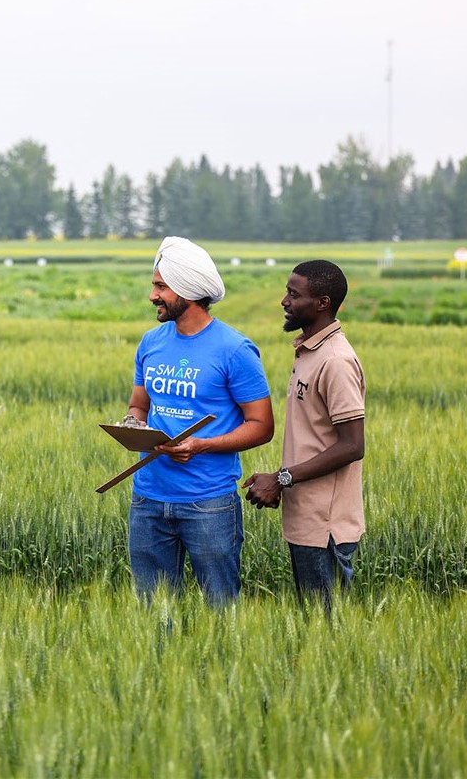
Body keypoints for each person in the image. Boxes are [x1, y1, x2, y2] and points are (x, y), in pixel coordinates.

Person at [125, 237, 274, 606]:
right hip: (148, 499)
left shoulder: (235, 350)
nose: (152, 295)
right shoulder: (150, 342)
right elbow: (138, 407)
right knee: (153, 616)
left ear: (188, 291)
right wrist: (132, 428)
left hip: (208, 503)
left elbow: (262, 425)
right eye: (154, 285)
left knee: (220, 612)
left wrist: (201, 445)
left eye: (161, 286)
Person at [243, 260, 365, 609]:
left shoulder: (336, 361)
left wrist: (281, 479)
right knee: (314, 626)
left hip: (326, 527)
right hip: (305, 522)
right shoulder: (309, 352)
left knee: (326, 633)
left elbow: (352, 446)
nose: (284, 301)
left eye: (294, 295)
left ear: (322, 303)